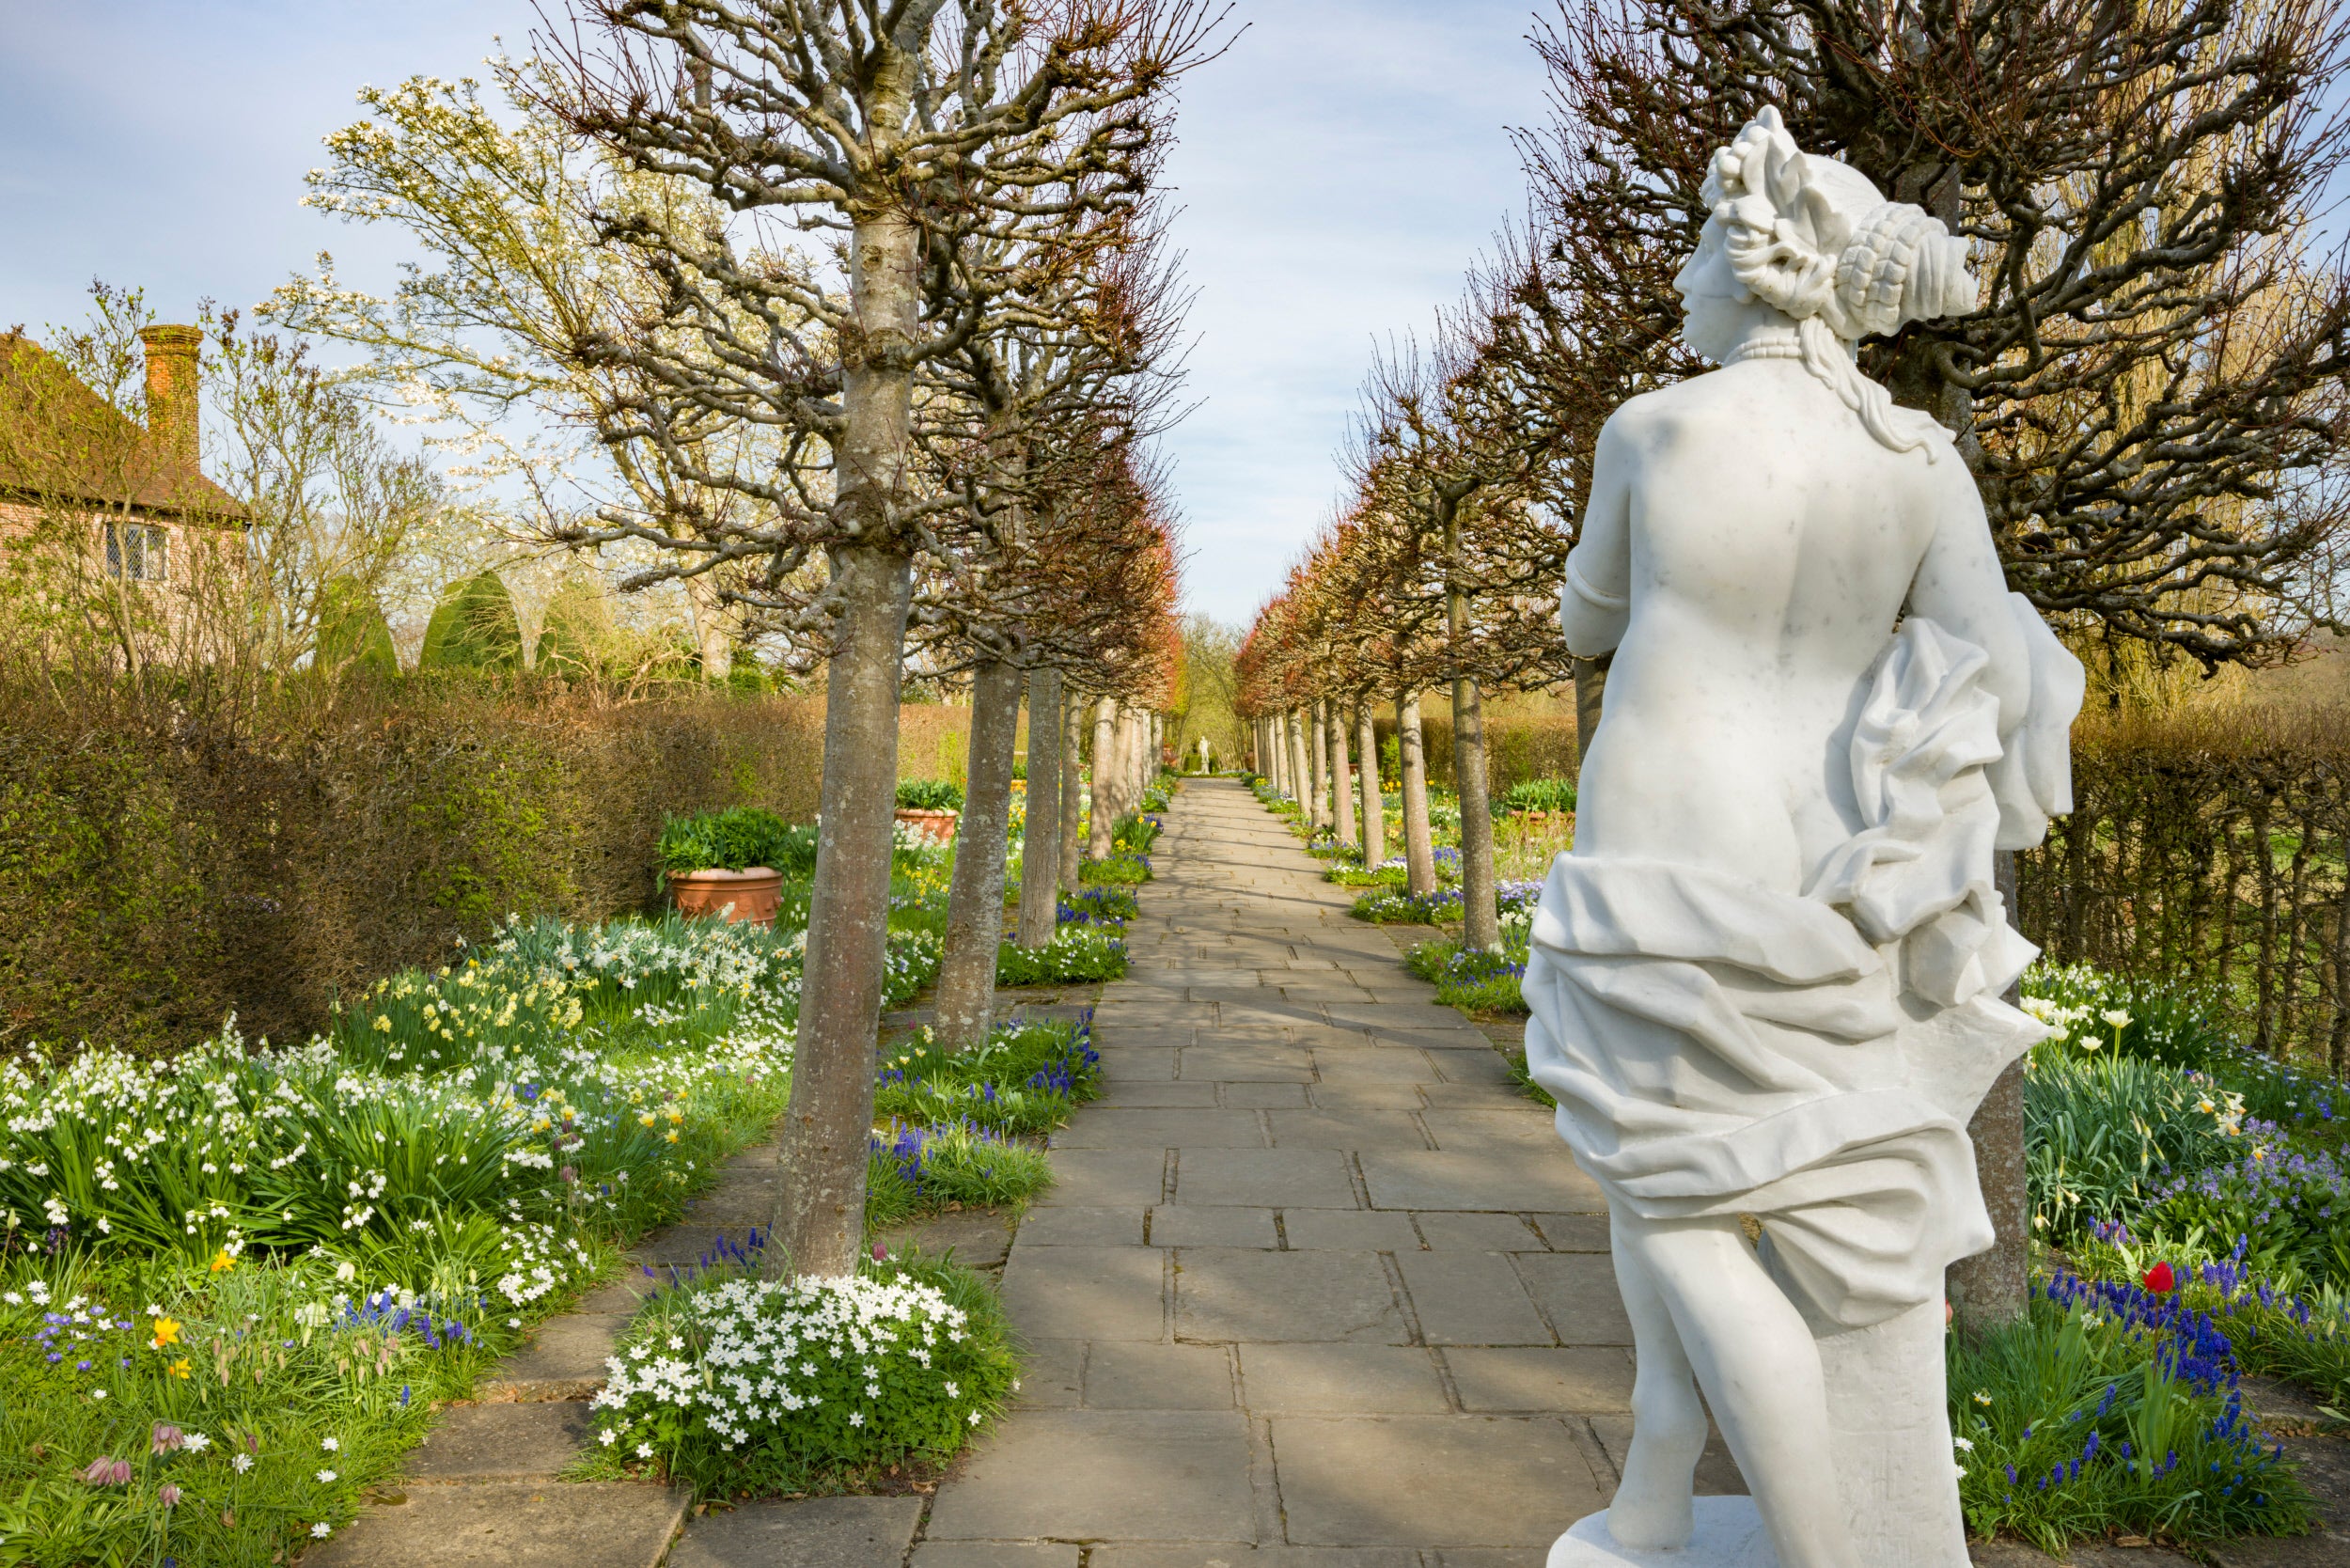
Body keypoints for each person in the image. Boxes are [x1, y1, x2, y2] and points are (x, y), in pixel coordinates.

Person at [1528, 107, 2081, 1568]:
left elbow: (1587, 619)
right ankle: (1655, 1484)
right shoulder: (1920, 464)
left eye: (1702, 248)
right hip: (1828, 877)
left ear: (1763, 268)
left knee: (1677, 1213)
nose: (1685, 281)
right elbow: (1991, 663)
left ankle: (1833, 1555)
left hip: (1657, 852)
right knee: (1686, 1184)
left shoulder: (1653, 430)